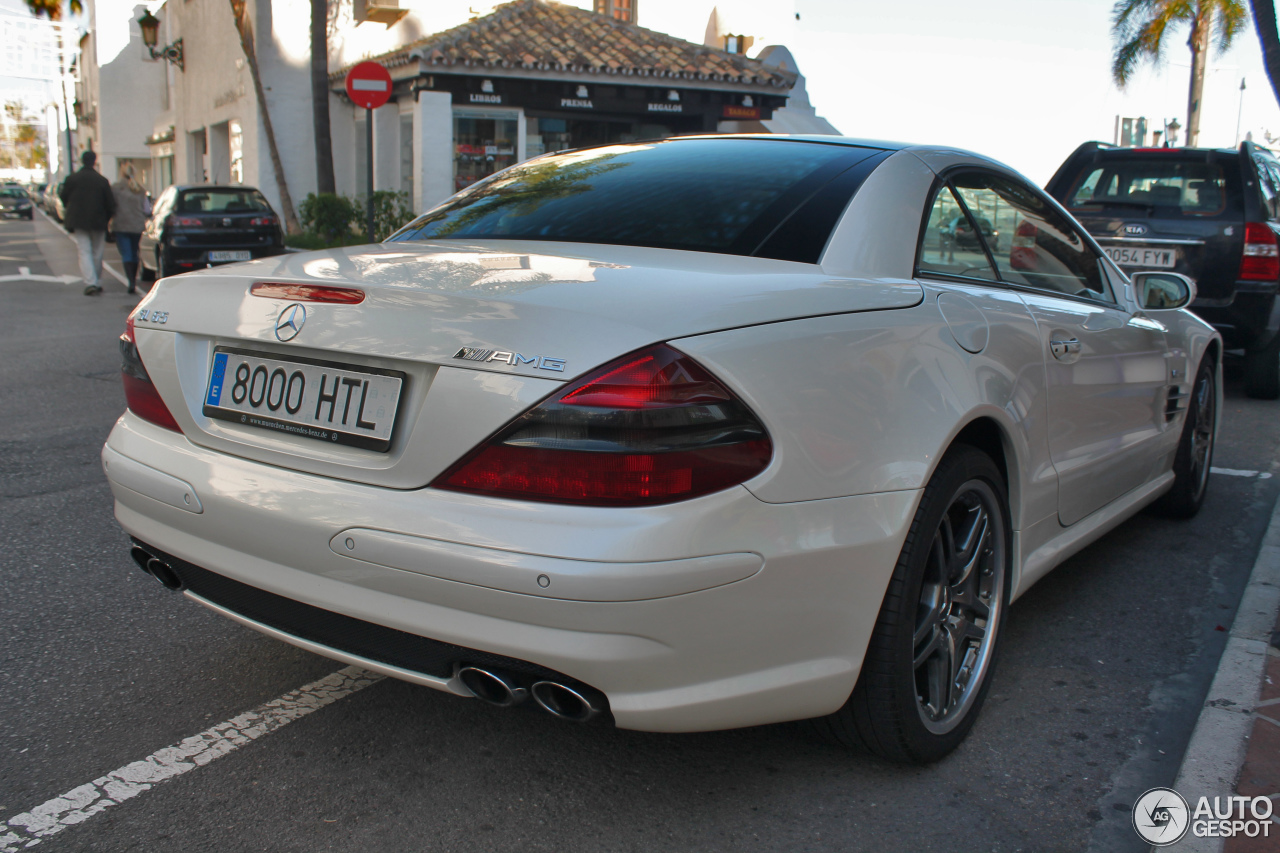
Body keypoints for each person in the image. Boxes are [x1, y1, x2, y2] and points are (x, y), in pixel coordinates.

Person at [60, 150, 116, 296]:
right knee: (98, 252)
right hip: (98, 221)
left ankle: (90, 282)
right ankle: (96, 281)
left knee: (84, 251)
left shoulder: (72, 179)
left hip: (79, 220)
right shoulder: (102, 181)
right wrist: (107, 218)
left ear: (81, 161)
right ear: (94, 161)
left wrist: (70, 209)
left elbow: (63, 196)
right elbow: (110, 204)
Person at [110, 163, 149, 294]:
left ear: (121, 173)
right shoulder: (140, 189)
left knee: (126, 253)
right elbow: (147, 209)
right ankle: (134, 279)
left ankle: (131, 281)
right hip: (137, 225)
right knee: (134, 252)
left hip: (121, 225)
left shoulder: (116, 188)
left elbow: (111, 206)